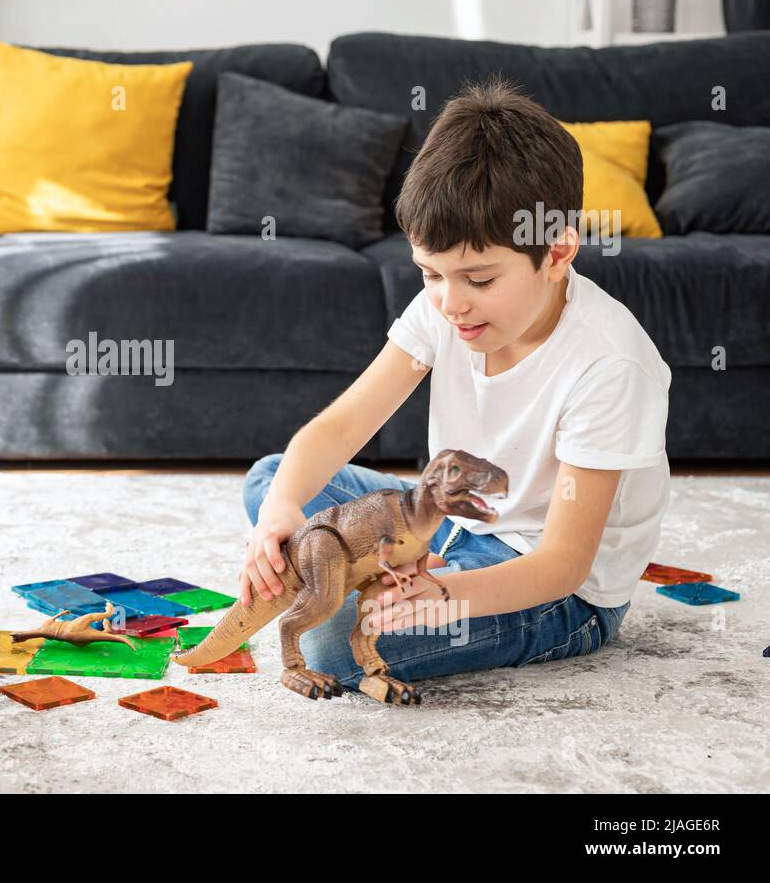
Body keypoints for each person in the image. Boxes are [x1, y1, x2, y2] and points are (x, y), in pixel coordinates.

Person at [240, 77, 670, 698]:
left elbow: (564, 563)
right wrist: (282, 510)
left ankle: (368, 582)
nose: (450, 302)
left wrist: (439, 592)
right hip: (449, 523)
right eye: (430, 273)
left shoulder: (609, 365)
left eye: (478, 278)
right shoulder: (445, 302)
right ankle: (363, 571)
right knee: (273, 477)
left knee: (329, 643)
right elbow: (340, 428)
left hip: (559, 591)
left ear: (558, 252)